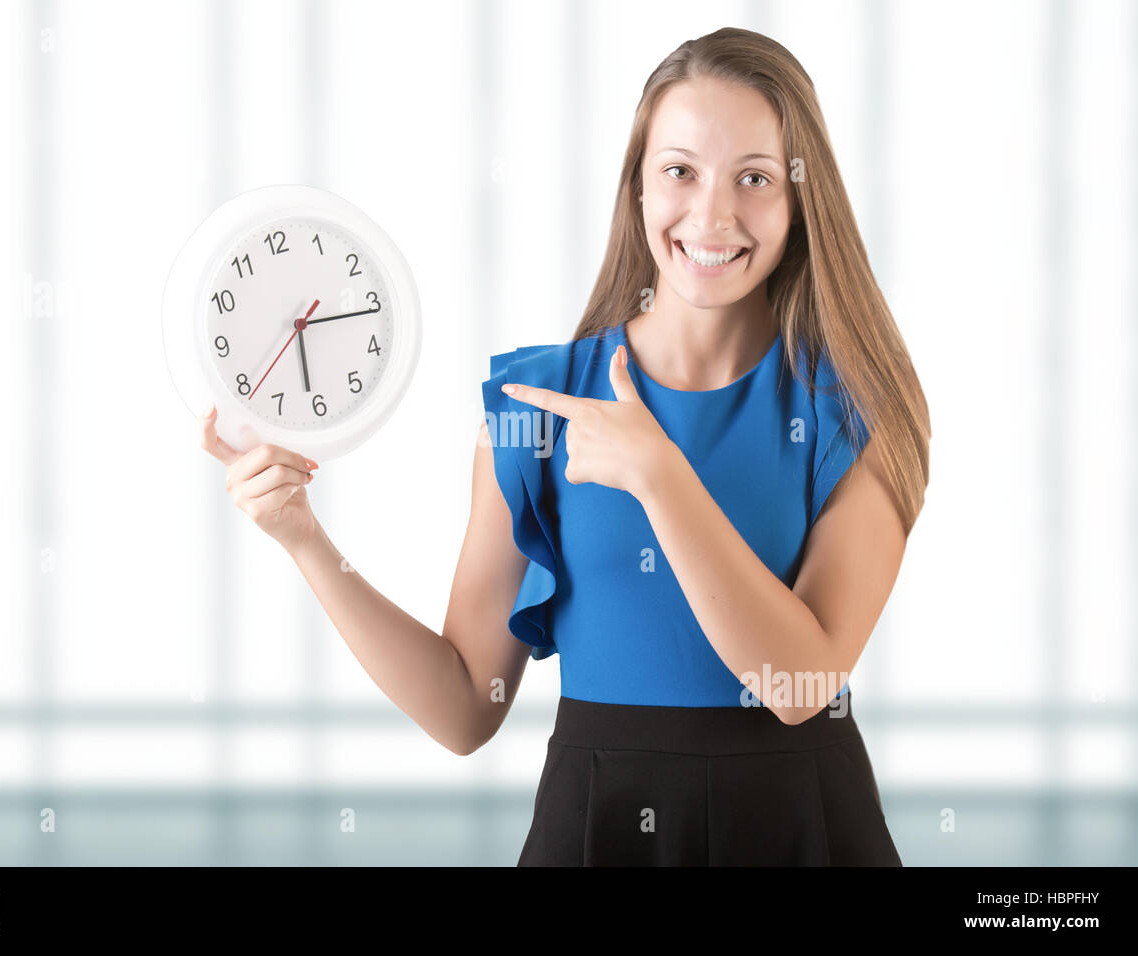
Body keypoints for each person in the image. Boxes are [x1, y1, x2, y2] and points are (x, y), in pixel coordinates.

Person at [197, 26, 930, 866]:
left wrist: (660, 477)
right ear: (638, 191)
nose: (712, 214)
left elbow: (800, 686)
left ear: (802, 199)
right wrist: (303, 537)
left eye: (754, 179)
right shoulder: (533, 409)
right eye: (680, 171)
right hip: (598, 830)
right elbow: (466, 707)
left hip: (806, 828)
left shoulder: (857, 408)